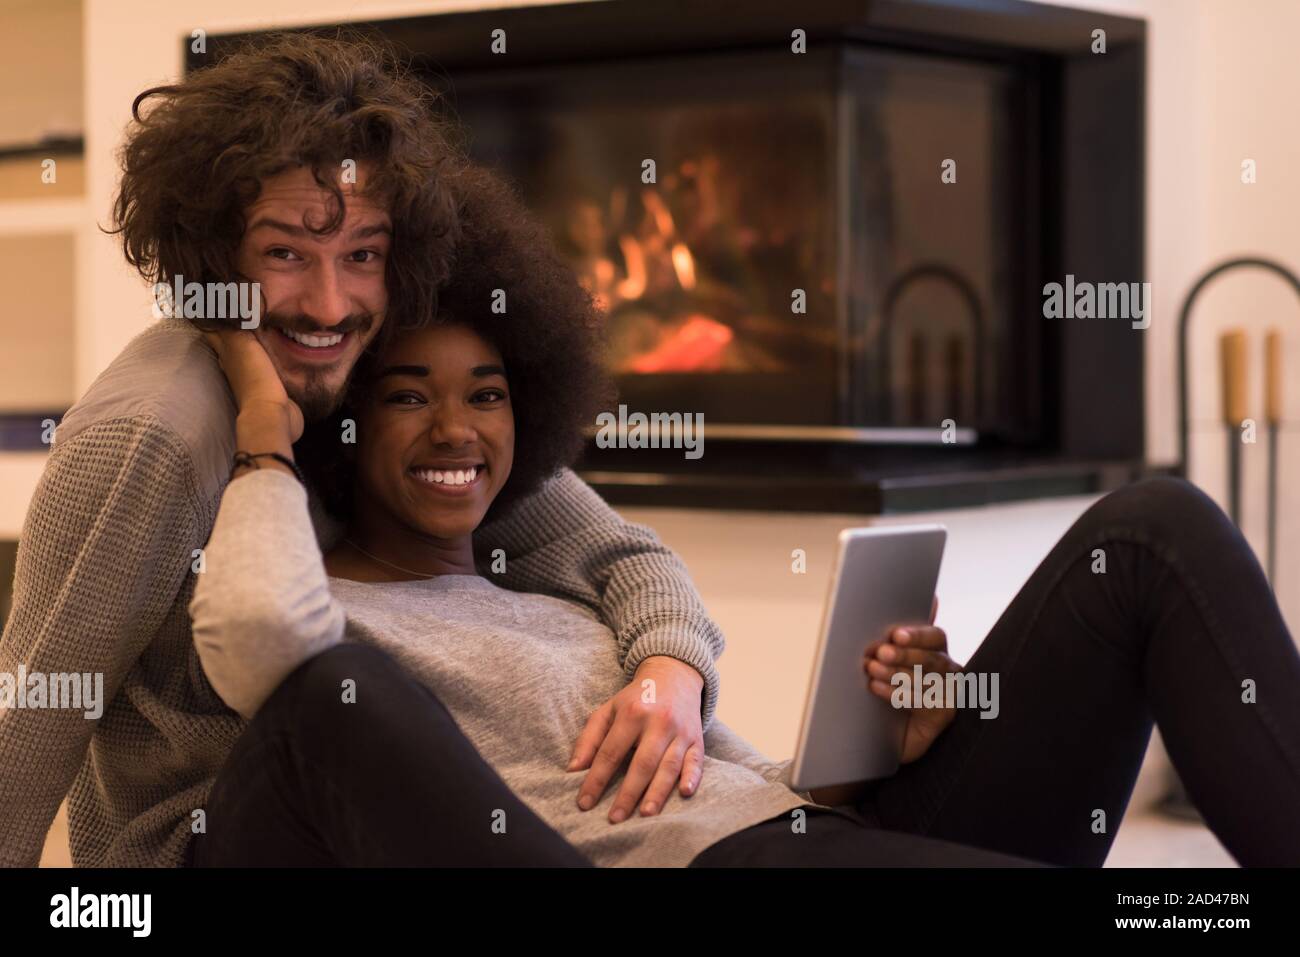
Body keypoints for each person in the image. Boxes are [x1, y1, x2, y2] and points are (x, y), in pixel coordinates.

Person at [189, 216, 1300, 866]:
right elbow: (261, 623)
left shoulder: (540, 573)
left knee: (1153, 528)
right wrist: (261, 426)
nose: (456, 430)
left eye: (486, 394)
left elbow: (640, 572)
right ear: (340, 426)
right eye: (403, 399)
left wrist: (879, 756)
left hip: (802, 822)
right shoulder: (336, 639)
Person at [0, 31, 728, 868]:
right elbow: (28, 726)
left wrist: (669, 669)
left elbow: (615, 553)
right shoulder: (153, 438)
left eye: (362, 257)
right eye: (285, 254)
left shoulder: (353, 364)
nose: (328, 301)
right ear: (210, 251)